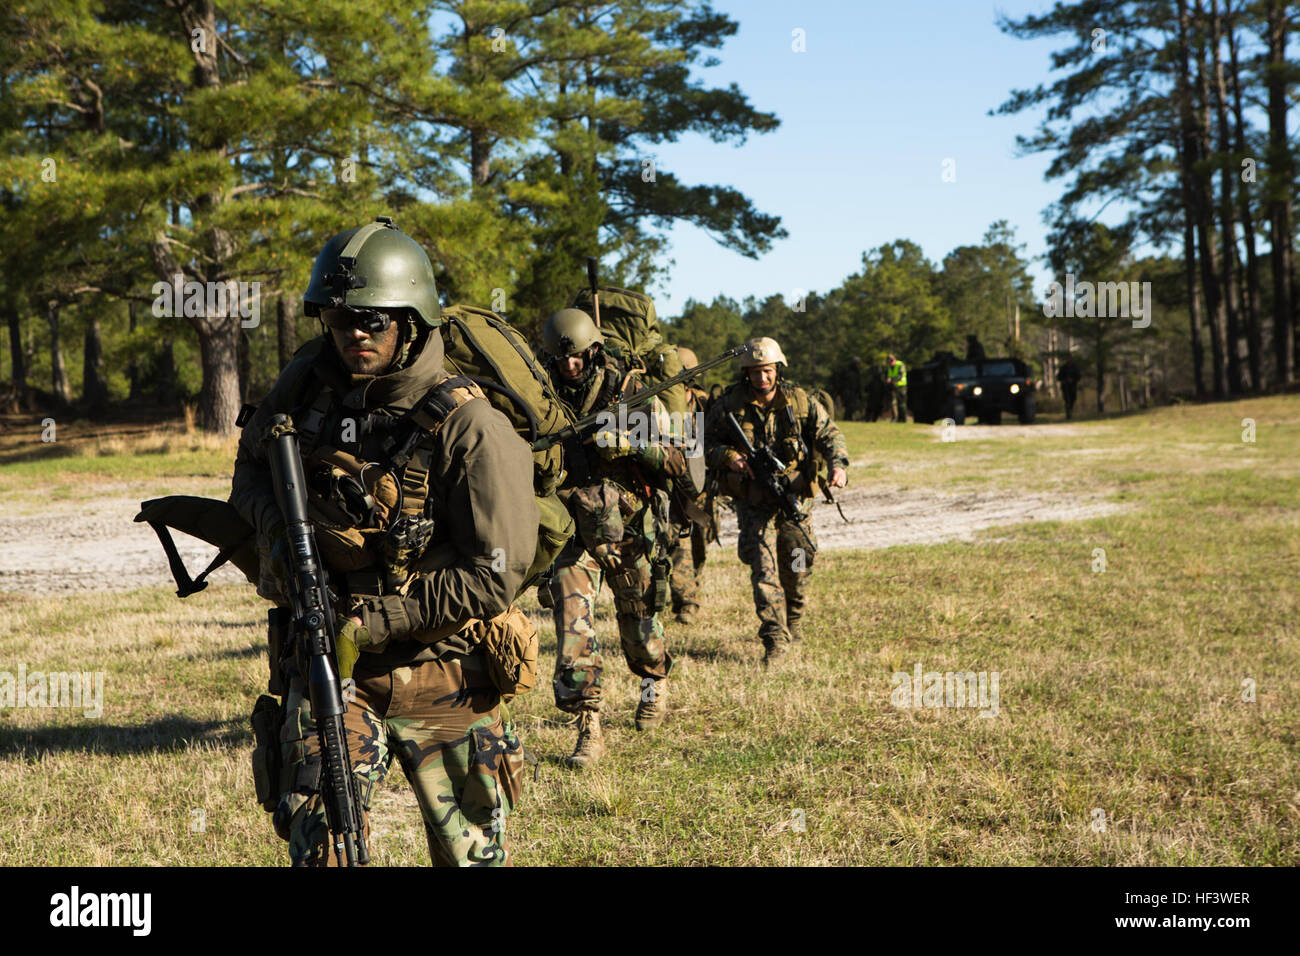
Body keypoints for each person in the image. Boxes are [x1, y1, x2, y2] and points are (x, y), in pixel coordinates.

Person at [230, 218, 538, 866]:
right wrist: (279, 531)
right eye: (340, 321)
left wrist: (385, 620)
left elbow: (497, 573)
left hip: (447, 667)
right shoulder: (306, 392)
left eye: (373, 319)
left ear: (411, 320)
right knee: (322, 847)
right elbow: (250, 468)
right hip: (330, 667)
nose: (355, 335)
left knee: (474, 857)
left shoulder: (471, 427)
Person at [542, 307, 684, 768]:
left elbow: (679, 462)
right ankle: (588, 726)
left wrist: (631, 443)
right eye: (562, 359)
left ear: (596, 351)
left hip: (627, 528)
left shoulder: (632, 394)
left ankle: (652, 682)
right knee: (573, 621)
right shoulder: (542, 396)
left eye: (579, 358)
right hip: (572, 526)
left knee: (640, 623)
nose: (570, 367)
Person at [705, 337, 848, 665]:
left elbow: (830, 434)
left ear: (777, 370)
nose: (762, 378)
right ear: (746, 373)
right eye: (755, 372)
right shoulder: (730, 404)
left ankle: (794, 617)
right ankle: (775, 639)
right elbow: (704, 441)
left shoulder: (799, 401)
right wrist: (729, 457)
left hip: (794, 500)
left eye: (767, 371)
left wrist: (838, 466)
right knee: (764, 571)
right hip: (755, 503)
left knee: (797, 564)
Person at [885, 353, 908, 423]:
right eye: (889, 362)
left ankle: (903, 419)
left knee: (902, 403)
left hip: (901, 386)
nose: (890, 363)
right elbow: (889, 375)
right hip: (893, 387)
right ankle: (895, 418)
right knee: (893, 403)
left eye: (891, 361)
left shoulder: (900, 365)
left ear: (894, 360)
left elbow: (900, 375)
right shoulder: (889, 367)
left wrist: (891, 379)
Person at [1059, 355, 1081, 420]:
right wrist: (1064, 380)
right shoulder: (1063, 368)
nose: (1068, 360)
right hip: (1065, 387)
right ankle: (1068, 413)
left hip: (1073, 386)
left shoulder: (1075, 367)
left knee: (1073, 399)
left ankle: (1070, 409)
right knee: (1066, 400)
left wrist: (1073, 380)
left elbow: (1078, 376)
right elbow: (1059, 377)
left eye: (1070, 359)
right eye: (1067, 359)